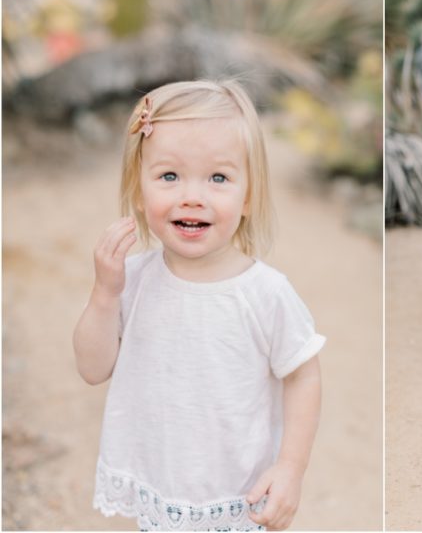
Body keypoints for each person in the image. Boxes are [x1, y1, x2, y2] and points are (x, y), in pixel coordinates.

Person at [73, 80, 325, 531]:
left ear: (248, 196)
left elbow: (304, 374)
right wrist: (104, 293)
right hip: (160, 482)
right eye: (169, 176)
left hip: (236, 493)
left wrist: (291, 467)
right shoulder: (134, 280)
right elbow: (92, 368)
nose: (192, 196)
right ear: (138, 191)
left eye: (218, 178)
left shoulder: (265, 293)